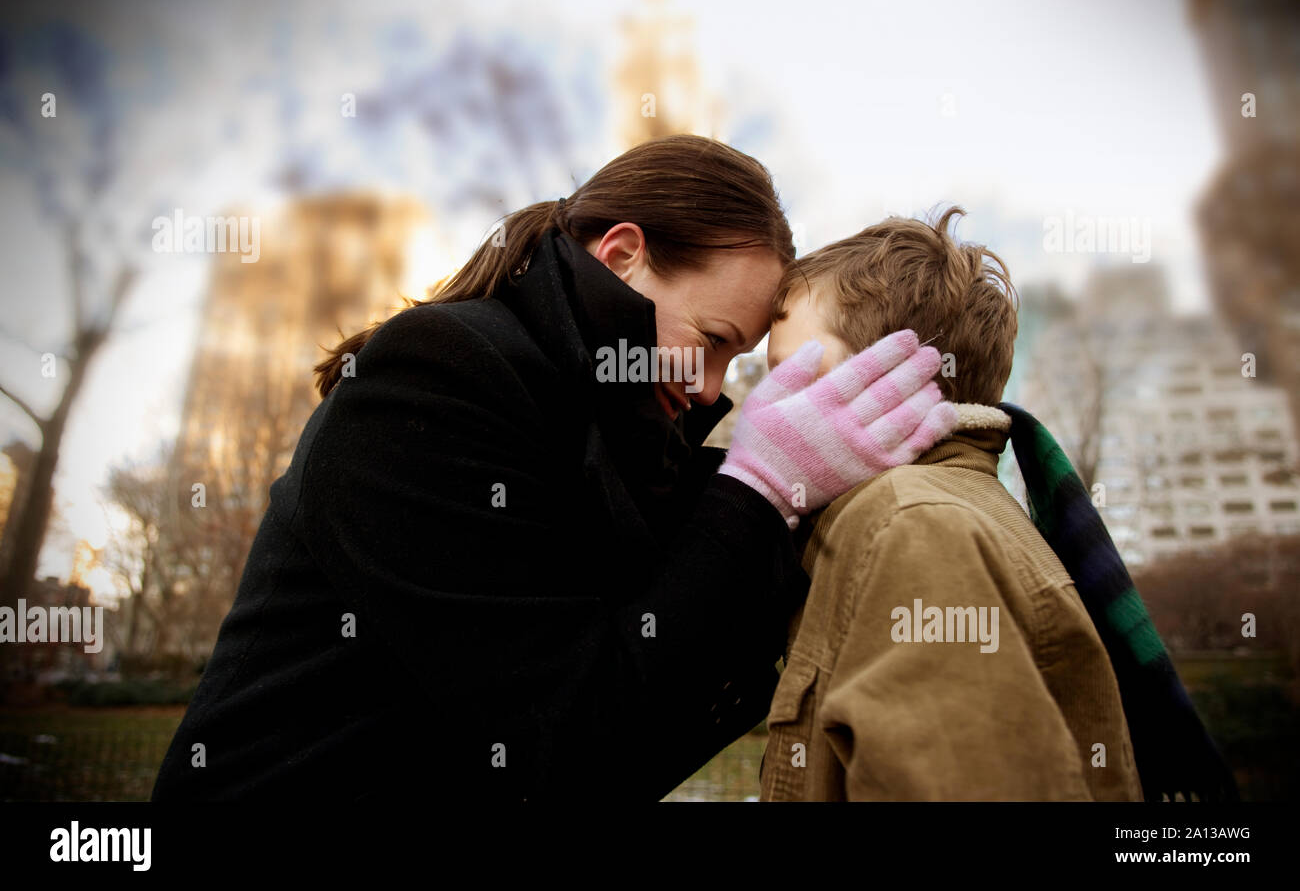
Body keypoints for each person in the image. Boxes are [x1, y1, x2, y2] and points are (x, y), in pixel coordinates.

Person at [151, 135, 956, 802]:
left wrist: (796, 496)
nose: (712, 388)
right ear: (623, 255)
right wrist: (761, 490)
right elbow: (564, 745)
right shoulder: (434, 377)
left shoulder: (609, 433)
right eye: (711, 339)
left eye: (737, 361)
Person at [758, 206, 1147, 801]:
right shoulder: (923, 511)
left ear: (891, 381)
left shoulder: (911, 527)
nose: (769, 405)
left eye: (790, 374)